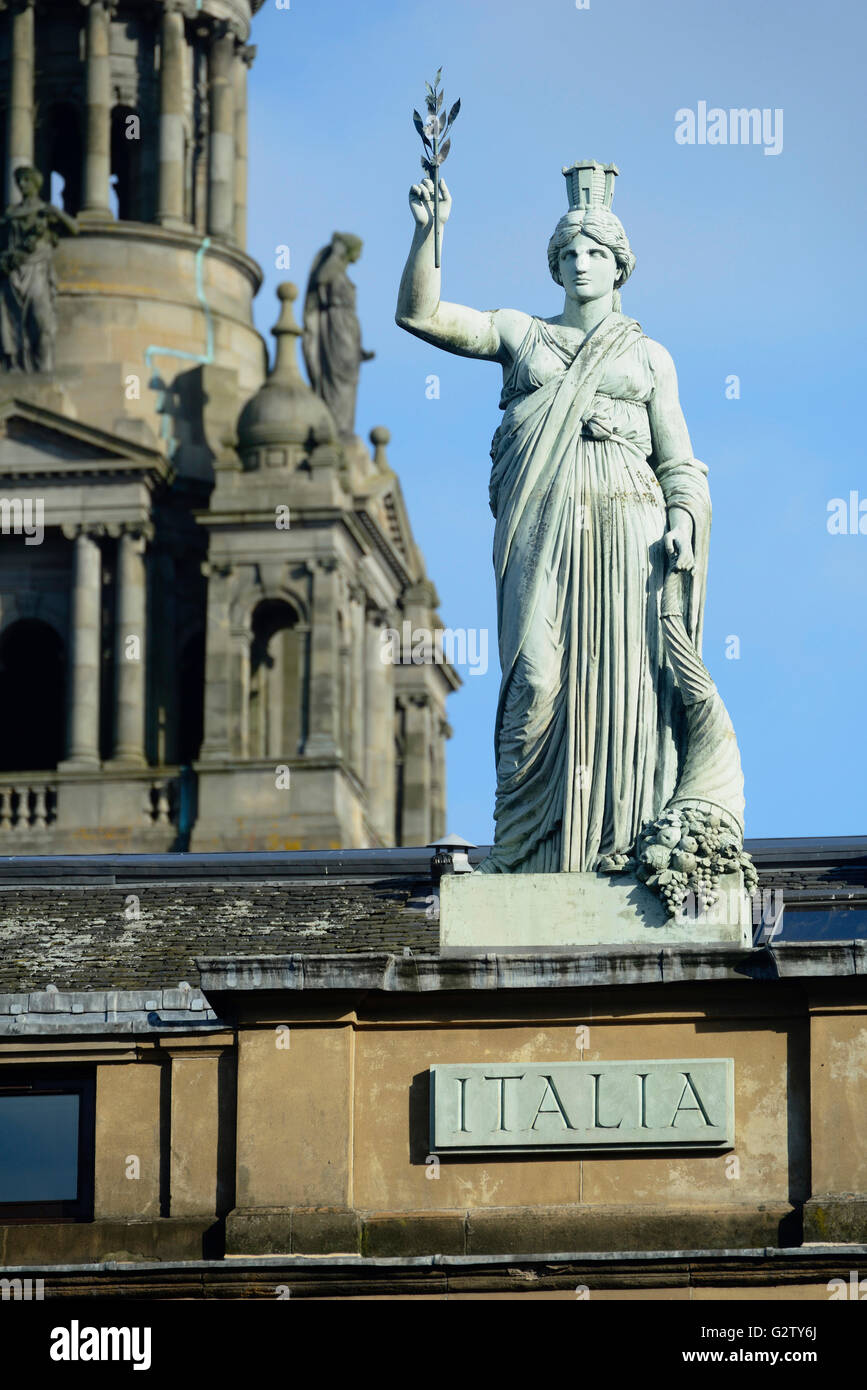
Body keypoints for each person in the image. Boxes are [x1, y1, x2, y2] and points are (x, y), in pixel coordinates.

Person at [395, 176, 715, 875]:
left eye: (593, 251)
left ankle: (622, 851)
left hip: (630, 529)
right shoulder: (520, 332)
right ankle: (522, 848)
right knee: (537, 677)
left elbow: (681, 463)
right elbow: (420, 316)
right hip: (541, 530)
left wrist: (684, 523)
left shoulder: (648, 356)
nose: (578, 262)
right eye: (566, 252)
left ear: (618, 263)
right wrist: (430, 232)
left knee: (628, 689)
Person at [0, 165, 78, 374]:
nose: (22, 185)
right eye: (19, 181)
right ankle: (15, 366)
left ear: (36, 184)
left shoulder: (44, 211)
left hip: (37, 269)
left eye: (26, 180)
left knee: (40, 319)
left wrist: (57, 213)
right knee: (11, 322)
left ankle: (43, 369)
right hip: (13, 273)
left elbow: (74, 228)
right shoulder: (10, 213)